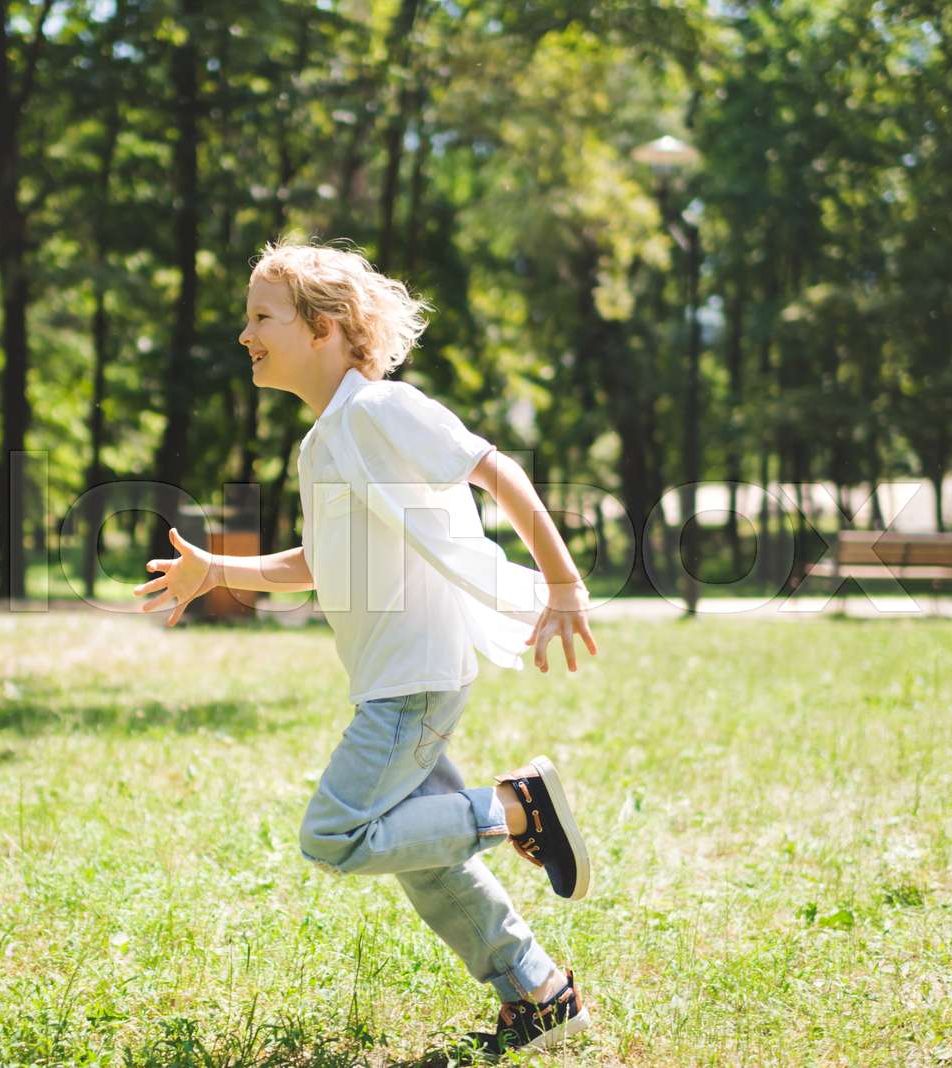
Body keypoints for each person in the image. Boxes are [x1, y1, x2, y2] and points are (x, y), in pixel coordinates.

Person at [135, 240, 599, 1055]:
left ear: (324, 326)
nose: (244, 333)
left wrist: (562, 584)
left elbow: (498, 470)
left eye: (260, 316)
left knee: (337, 836)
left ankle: (518, 809)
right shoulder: (324, 442)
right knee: (427, 856)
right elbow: (317, 562)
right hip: (395, 677)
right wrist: (215, 571)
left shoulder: (382, 409)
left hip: (412, 682)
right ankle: (539, 990)